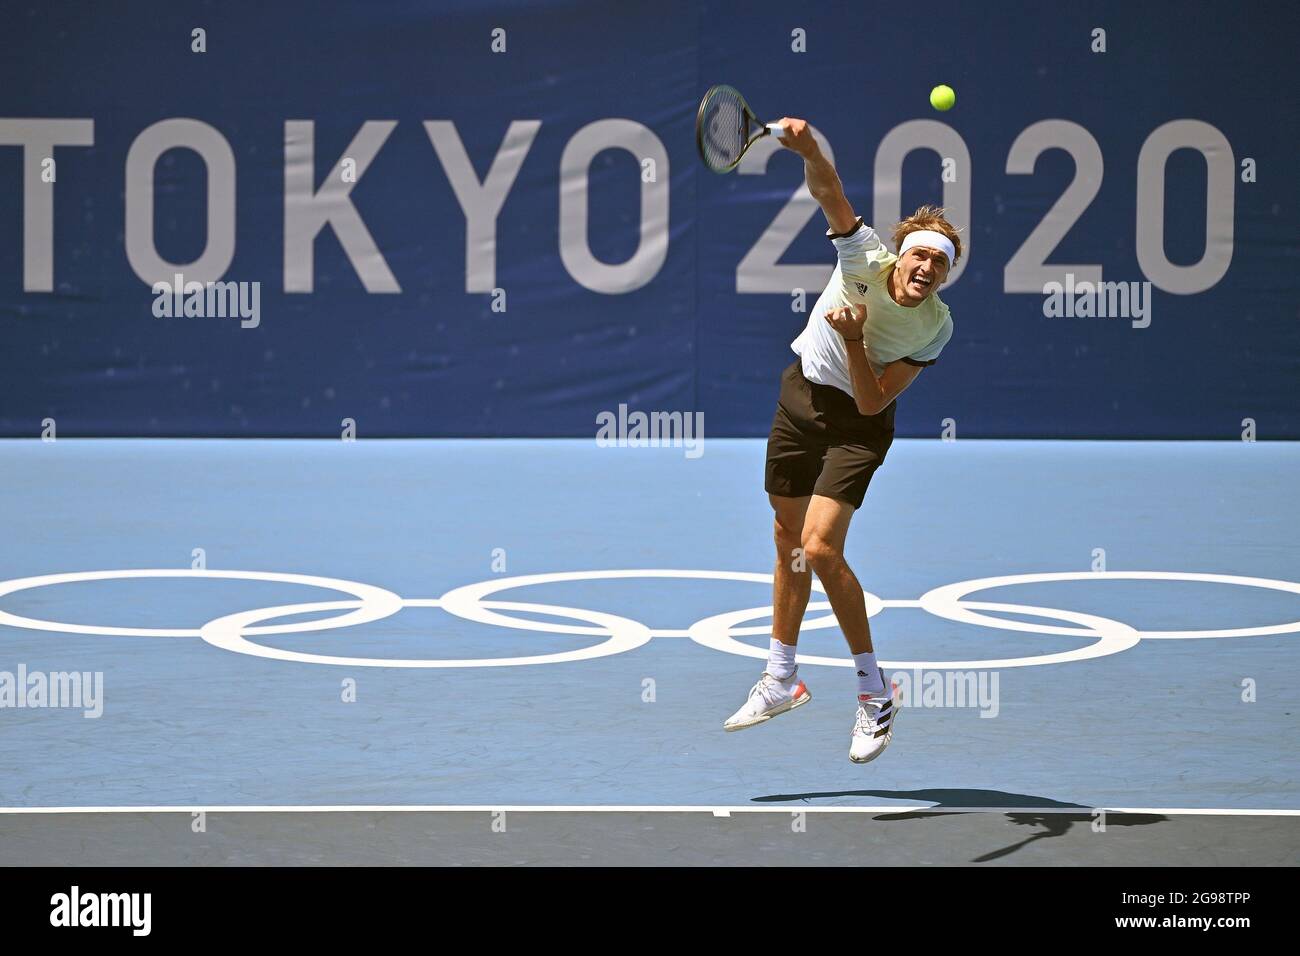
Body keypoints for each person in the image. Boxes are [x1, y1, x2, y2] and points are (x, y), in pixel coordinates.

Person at [724, 117, 962, 764]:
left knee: (821, 549)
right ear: (900, 253)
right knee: (786, 540)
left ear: (945, 276)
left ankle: (873, 691)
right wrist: (806, 147)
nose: (928, 266)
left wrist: (856, 339)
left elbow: (870, 400)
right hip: (800, 397)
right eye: (921, 253)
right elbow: (830, 191)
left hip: (859, 427)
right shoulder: (861, 256)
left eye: (941, 262)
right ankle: (780, 679)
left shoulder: (933, 329)